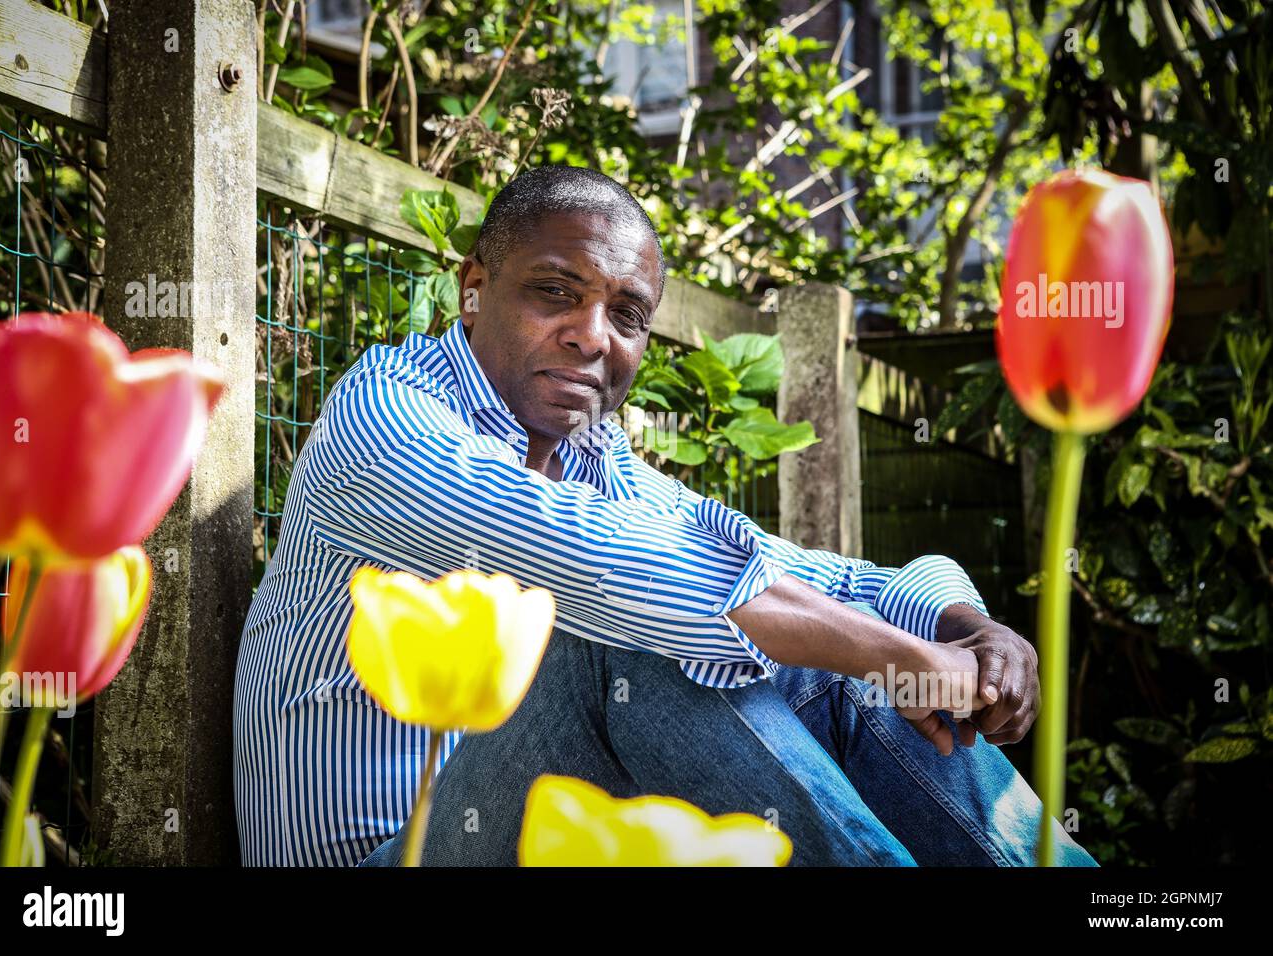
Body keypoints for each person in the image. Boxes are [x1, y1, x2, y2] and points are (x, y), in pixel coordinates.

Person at [233, 165, 1097, 867]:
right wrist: (893, 652)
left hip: (533, 830)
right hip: (392, 853)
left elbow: (816, 578)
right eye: (555, 292)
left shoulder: (596, 461)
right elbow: (620, 575)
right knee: (630, 638)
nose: (591, 335)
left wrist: (962, 624)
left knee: (839, 665)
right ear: (472, 289)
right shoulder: (387, 416)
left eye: (627, 315)